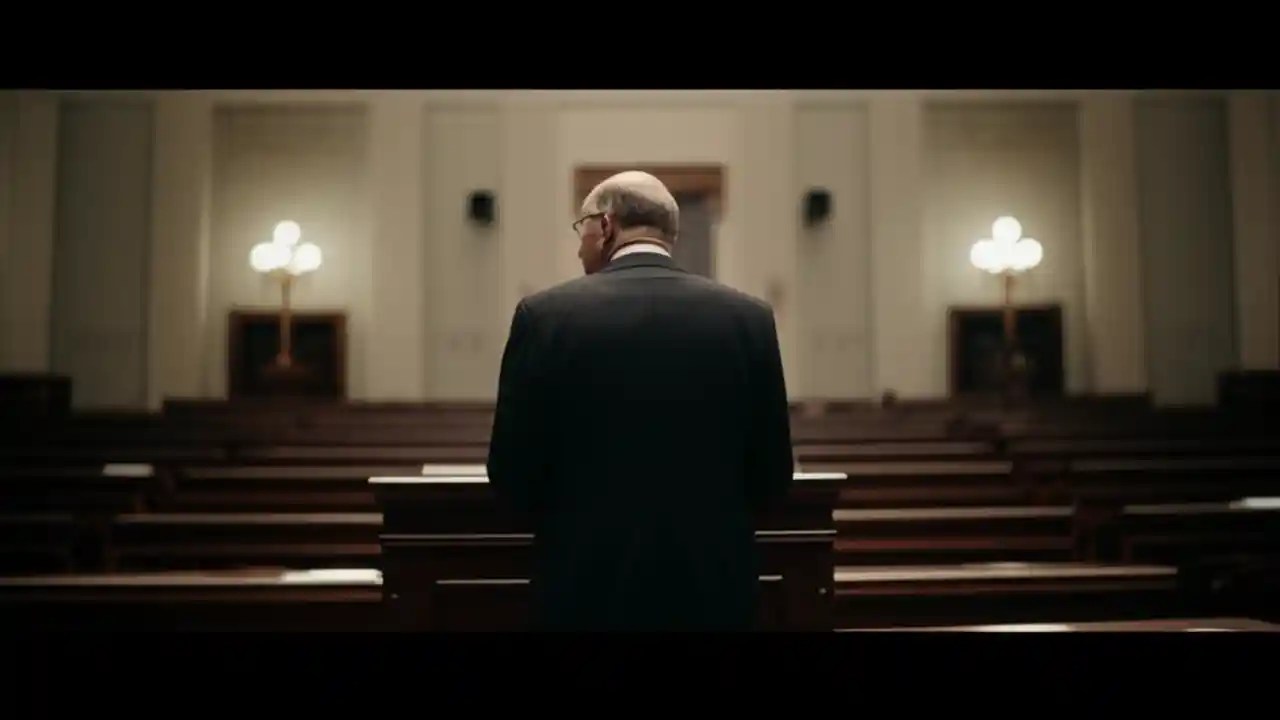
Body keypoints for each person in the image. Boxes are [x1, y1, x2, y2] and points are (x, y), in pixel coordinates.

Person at [486, 170, 794, 631]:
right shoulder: (749, 319)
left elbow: (511, 476)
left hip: (585, 588)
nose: (578, 246)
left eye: (581, 229)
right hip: (713, 590)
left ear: (605, 225)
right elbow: (772, 478)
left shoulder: (544, 317)